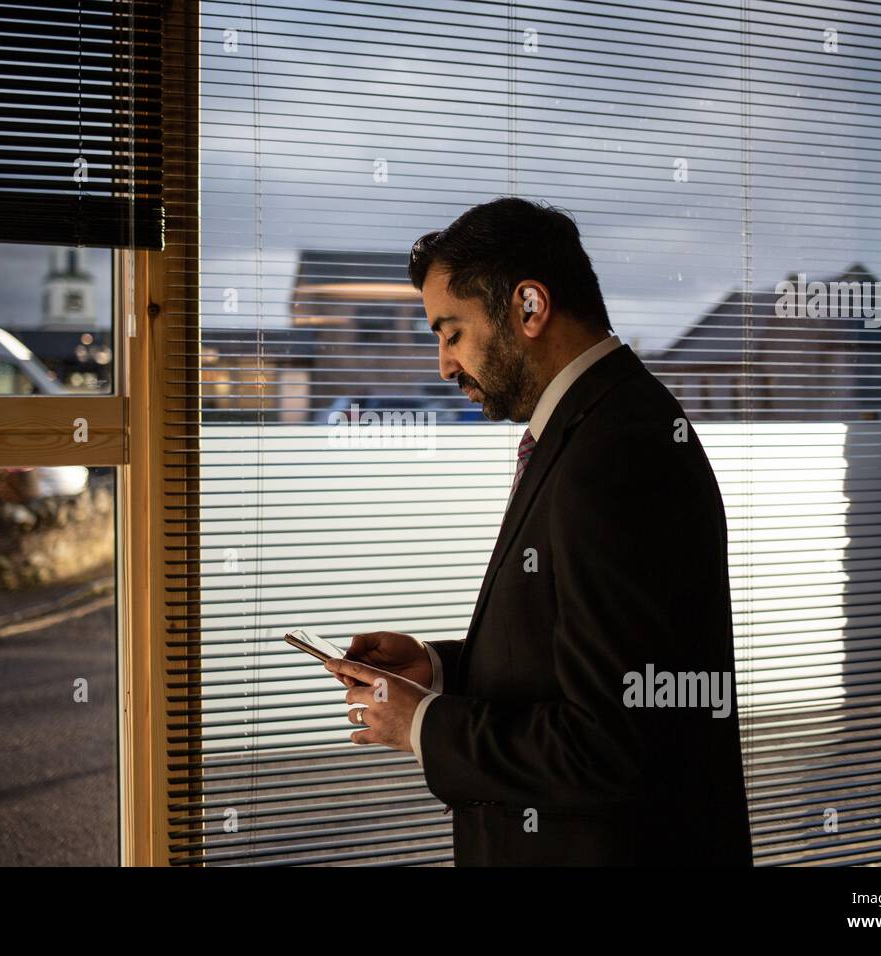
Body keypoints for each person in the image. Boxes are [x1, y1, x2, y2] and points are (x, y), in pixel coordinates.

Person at [323, 196, 753, 866]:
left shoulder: (619, 450)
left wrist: (422, 724)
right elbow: (580, 657)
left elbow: (612, 741)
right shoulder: (596, 423)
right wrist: (436, 669)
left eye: (451, 332)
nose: (443, 364)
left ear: (529, 306)